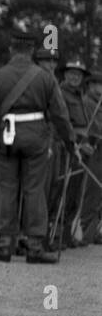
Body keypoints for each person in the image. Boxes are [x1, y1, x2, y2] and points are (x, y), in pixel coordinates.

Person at [0, 26, 75, 263]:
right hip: (35, 138)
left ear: (11, 49)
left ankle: (4, 245)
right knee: (34, 190)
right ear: (32, 50)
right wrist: (71, 143)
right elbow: (60, 115)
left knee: (7, 189)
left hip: (5, 138)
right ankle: (34, 247)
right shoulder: (45, 77)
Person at [57, 60, 91, 248]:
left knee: (75, 194)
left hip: (81, 151)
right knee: (63, 191)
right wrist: (79, 141)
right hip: (68, 149)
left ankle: (67, 232)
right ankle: (56, 233)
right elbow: (64, 123)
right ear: (64, 75)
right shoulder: (60, 94)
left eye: (78, 74)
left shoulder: (80, 96)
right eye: (71, 73)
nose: (75, 77)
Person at [79, 68, 102, 246]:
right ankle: (88, 231)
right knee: (92, 192)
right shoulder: (87, 103)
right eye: (95, 84)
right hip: (93, 149)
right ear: (89, 86)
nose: (99, 88)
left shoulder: (99, 103)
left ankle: (96, 230)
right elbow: (94, 128)